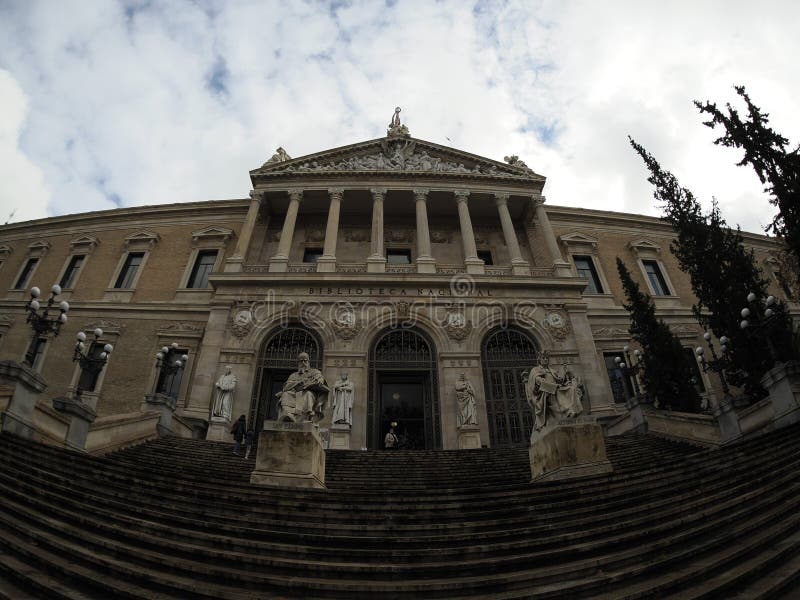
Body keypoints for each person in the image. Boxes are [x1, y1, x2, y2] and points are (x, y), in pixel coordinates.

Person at [276, 352, 329, 423]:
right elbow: (286, 386)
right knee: (286, 394)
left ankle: (305, 418)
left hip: (309, 393)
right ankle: (288, 415)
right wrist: (297, 383)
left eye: (305, 360)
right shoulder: (293, 375)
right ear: (298, 363)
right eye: (301, 361)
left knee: (307, 394)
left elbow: (320, 378)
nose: (303, 363)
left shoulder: (314, 372)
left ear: (308, 362)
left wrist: (319, 380)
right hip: (293, 393)